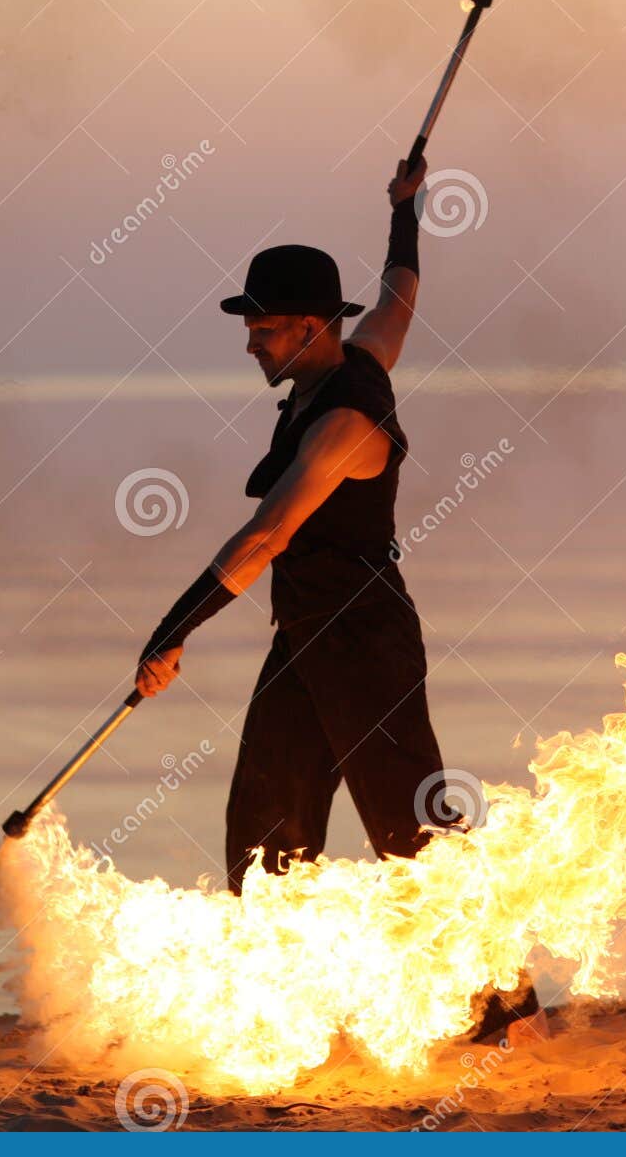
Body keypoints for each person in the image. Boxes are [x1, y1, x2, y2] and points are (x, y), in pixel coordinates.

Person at [134, 156, 456, 892]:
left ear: (313, 328)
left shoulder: (344, 419)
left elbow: (264, 537)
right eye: (251, 328)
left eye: (267, 330)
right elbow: (398, 294)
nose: (252, 344)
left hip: (366, 641)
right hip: (307, 634)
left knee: (412, 835)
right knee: (266, 823)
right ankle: (283, 993)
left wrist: (175, 628)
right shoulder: (359, 354)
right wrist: (406, 208)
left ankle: (506, 1007)